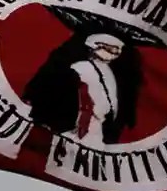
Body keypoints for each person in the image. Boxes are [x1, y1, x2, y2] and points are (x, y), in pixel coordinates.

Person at [23, 30, 144, 163]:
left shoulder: (109, 74)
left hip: (97, 130)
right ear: (96, 46)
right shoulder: (81, 68)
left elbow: (110, 105)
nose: (114, 53)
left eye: (117, 50)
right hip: (75, 128)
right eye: (110, 48)